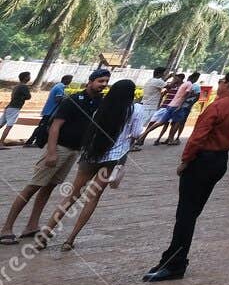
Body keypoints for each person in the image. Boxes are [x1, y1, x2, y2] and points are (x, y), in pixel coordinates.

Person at [144, 67, 229, 282]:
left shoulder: (218, 106)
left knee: (185, 215)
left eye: (221, 81)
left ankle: (175, 263)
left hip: (203, 160)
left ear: (227, 83)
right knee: (191, 212)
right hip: (220, 160)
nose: (219, 85)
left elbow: (197, 137)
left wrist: (185, 161)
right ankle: (171, 258)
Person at [0, 69, 109, 245]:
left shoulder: (99, 102)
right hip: (59, 148)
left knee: (48, 187)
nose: (103, 84)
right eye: (100, 81)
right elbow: (55, 126)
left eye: (106, 81)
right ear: (91, 81)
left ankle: (31, 225)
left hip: (74, 151)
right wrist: (51, 152)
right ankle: (7, 228)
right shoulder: (73, 101)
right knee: (33, 186)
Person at [40, 78, 138, 251]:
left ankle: (45, 233)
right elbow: (136, 133)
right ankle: (70, 239)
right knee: (92, 198)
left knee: (71, 195)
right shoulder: (136, 109)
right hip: (113, 158)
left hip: (91, 155)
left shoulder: (102, 106)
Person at [137, 70, 190, 148]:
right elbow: (164, 91)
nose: (175, 79)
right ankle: (143, 137)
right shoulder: (172, 86)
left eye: (177, 78)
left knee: (165, 124)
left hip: (170, 107)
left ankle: (158, 138)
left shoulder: (181, 88)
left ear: (181, 79)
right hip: (165, 106)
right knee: (154, 122)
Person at [25, 74, 72, 148]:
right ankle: (36, 142)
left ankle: (32, 141)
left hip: (49, 110)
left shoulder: (58, 86)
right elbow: (58, 99)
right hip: (51, 111)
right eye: (70, 80)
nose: (70, 82)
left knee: (42, 126)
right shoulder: (61, 87)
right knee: (43, 127)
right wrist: (68, 98)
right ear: (66, 80)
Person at [161, 73, 203, 144]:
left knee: (180, 123)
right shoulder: (187, 85)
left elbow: (197, 97)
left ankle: (175, 138)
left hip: (184, 106)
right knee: (175, 123)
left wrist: (190, 104)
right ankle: (170, 138)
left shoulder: (195, 86)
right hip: (179, 106)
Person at [1, 71, 32, 144]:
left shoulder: (17, 86)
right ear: (25, 78)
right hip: (15, 108)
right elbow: (28, 97)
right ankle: (1, 143)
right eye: (28, 76)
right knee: (9, 126)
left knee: (1, 123)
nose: (29, 78)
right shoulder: (24, 86)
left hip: (9, 107)